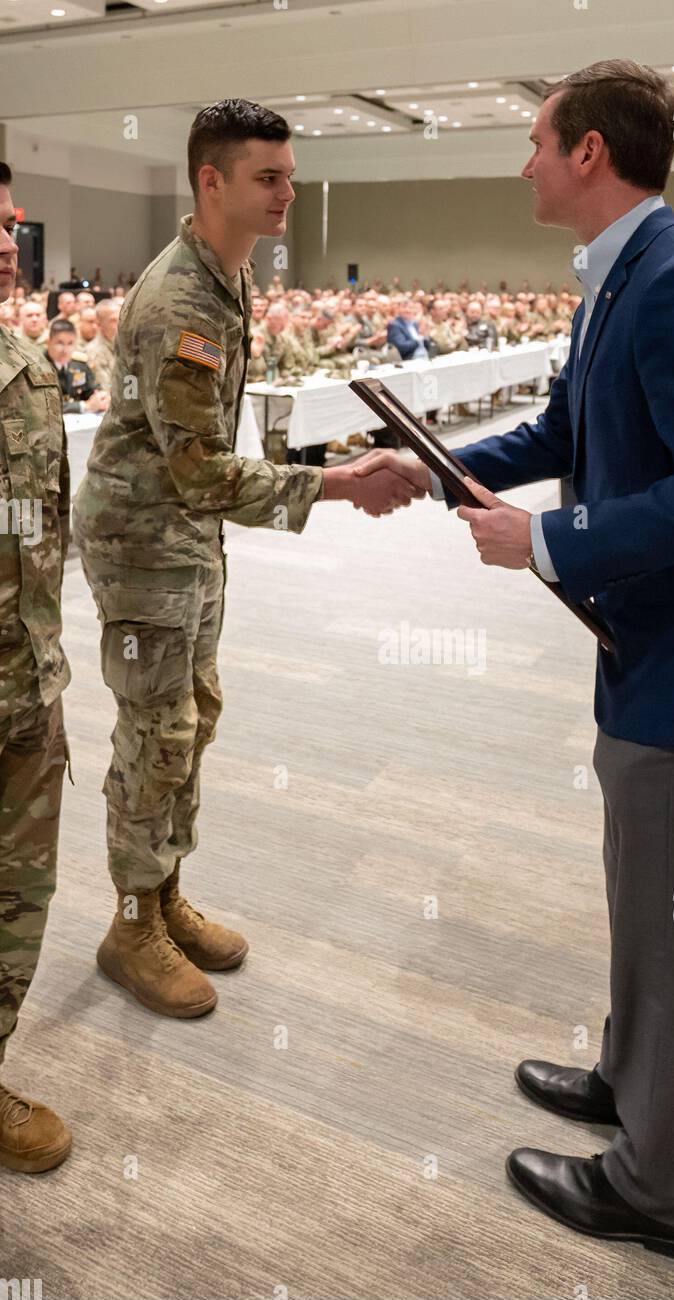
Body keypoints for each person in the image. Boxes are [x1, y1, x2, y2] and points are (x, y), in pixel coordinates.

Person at [355, 59, 674, 1261]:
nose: (525, 163)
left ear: (589, 155)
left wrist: (548, 538)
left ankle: (659, 1187)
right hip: (658, 641)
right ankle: (630, 1076)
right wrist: (448, 467)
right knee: (642, 887)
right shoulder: (624, 277)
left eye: (536, 142)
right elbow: (569, 427)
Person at [73, 99, 421, 1024]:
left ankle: (162, 893)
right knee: (156, 736)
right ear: (209, 182)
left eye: (290, 176)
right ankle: (128, 924)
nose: (287, 194)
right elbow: (195, 469)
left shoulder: (227, 277)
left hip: (186, 539)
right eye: (268, 177)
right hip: (146, 541)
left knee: (194, 718)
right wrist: (339, 483)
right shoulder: (181, 300)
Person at [0, 162, 73, 1173]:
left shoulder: (26, 366)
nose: (7, 242)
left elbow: (45, 526)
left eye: (8, 223)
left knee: (18, 894)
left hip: (25, 685)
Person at [44, 319, 110, 413]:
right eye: (60, 343)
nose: (65, 350)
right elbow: (44, 407)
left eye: (70, 343)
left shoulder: (79, 365)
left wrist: (101, 398)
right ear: (48, 342)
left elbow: (92, 390)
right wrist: (84, 406)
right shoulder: (38, 368)